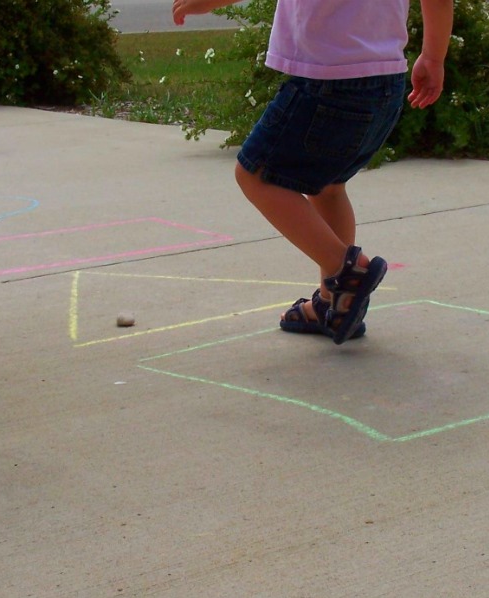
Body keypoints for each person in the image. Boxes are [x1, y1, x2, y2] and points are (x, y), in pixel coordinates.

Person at [173, 0, 453, 344]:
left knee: (256, 175)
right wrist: (434, 57)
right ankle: (335, 304)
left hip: (328, 81)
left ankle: (348, 272)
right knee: (328, 186)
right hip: (386, 81)